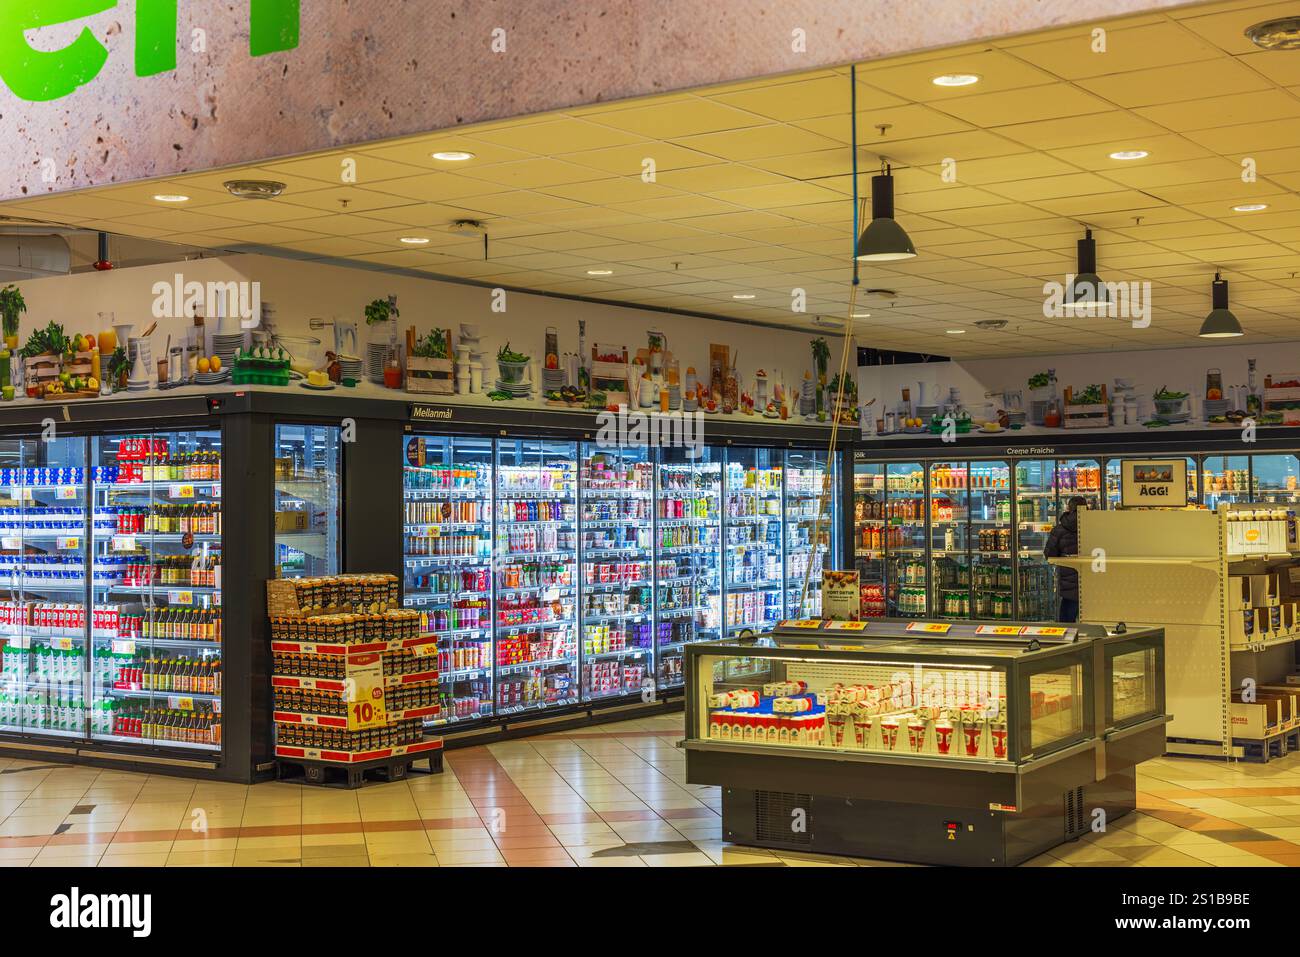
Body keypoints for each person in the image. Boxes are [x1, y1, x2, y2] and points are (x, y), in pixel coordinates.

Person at [1044, 496, 1088, 623]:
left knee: (1067, 622)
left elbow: (1049, 553)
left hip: (1068, 581)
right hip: (1091, 579)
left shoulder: (1059, 530)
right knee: (1091, 621)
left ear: (1068, 508)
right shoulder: (1094, 526)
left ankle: (1069, 642)